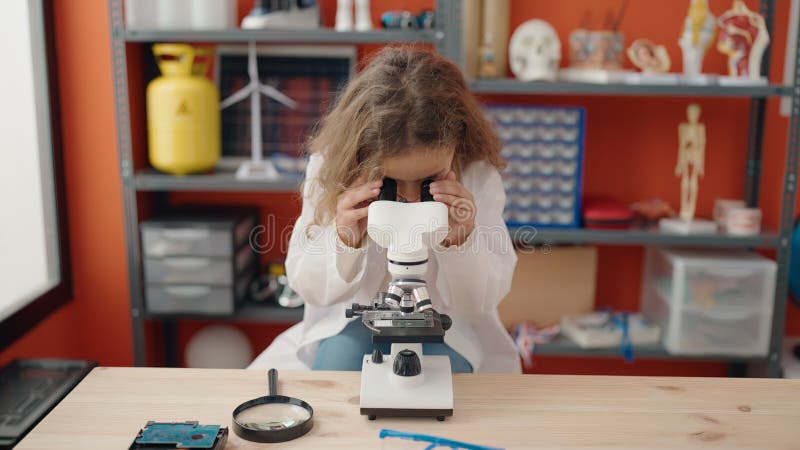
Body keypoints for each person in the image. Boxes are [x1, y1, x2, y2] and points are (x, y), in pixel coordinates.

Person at [249, 46, 520, 374]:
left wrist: (462, 243)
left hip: (448, 330)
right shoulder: (331, 168)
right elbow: (307, 284)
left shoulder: (477, 176)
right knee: (339, 385)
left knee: (452, 391)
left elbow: (480, 301)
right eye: (391, 183)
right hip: (353, 323)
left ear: (456, 146)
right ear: (362, 156)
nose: (407, 198)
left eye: (427, 181)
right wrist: (344, 238)